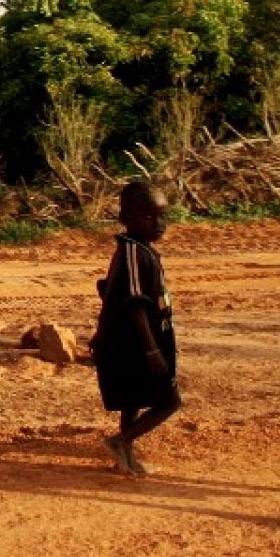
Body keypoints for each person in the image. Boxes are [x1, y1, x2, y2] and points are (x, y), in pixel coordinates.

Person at [90, 182, 179, 479]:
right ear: (126, 217)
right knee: (169, 401)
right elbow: (135, 305)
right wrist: (152, 350)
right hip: (133, 346)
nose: (159, 224)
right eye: (149, 217)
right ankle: (120, 442)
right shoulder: (133, 253)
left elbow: (109, 290)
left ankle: (125, 457)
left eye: (162, 216)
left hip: (135, 344)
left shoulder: (140, 250)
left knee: (133, 401)